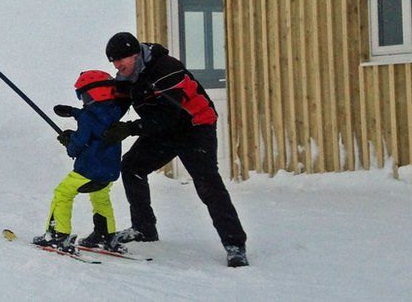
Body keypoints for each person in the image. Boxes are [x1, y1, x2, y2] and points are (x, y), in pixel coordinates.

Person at [101, 32, 249, 267]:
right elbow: (113, 105)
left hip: (195, 127)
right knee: (132, 166)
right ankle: (144, 228)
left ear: (136, 54)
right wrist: (90, 121)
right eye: (114, 61)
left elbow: (169, 115)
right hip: (165, 130)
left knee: (207, 183)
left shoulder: (166, 69)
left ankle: (235, 244)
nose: (118, 65)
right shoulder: (126, 77)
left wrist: (131, 128)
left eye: (122, 59)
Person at [32, 70, 131, 254]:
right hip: (109, 170)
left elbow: (78, 144)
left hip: (88, 170)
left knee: (62, 193)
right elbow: (97, 118)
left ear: (92, 93)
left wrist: (69, 141)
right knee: (101, 197)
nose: (82, 99)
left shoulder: (88, 117)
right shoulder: (115, 110)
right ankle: (105, 235)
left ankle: (57, 235)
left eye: (83, 95)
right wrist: (72, 112)